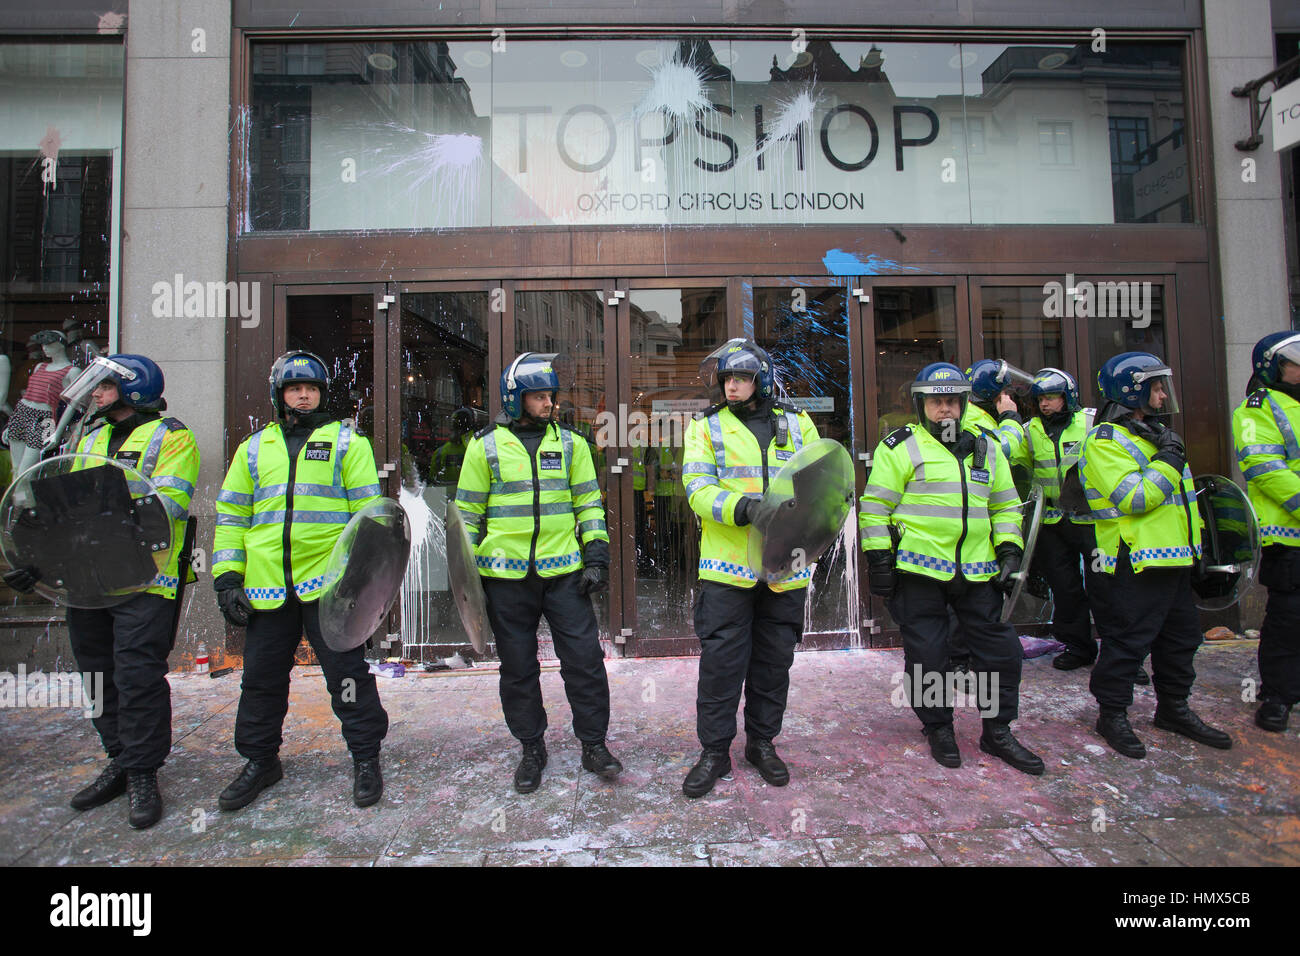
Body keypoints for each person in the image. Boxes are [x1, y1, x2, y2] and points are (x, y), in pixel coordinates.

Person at [4, 354, 200, 829]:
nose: (95, 394)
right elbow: (54, 504)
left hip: (144, 578)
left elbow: (166, 505)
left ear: (133, 390)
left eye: (106, 387)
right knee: (96, 675)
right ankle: (118, 756)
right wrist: (34, 559)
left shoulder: (172, 436)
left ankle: (142, 772)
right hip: (86, 578)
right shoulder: (86, 437)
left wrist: (94, 511)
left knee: (137, 676)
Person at [213, 350, 390, 809]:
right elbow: (232, 514)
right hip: (268, 586)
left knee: (347, 677)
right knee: (261, 680)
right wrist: (227, 577)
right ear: (280, 394)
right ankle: (259, 760)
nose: (304, 395)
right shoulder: (254, 448)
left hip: (330, 586)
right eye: (295, 388)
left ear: (322, 393)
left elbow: (368, 518)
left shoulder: (349, 443)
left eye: (311, 388)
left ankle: (366, 756)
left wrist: (362, 584)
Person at [860, 363, 1043, 774]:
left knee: (1001, 654)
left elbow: (1005, 505)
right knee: (928, 656)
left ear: (963, 404)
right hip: (920, 572)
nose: (945, 410)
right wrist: (880, 561)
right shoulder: (901, 447)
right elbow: (873, 508)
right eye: (937, 402)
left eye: (952, 402)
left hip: (979, 572)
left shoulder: (987, 447)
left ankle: (997, 731)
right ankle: (939, 727)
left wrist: (1010, 549)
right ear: (922, 405)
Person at [454, 352, 621, 793]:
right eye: (538, 396)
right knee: (518, 667)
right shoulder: (483, 445)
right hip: (505, 578)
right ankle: (531, 747)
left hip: (564, 573)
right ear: (515, 399)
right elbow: (467, 515)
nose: (548, 403)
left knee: (585, 662)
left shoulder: (571, 444)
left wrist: (597, 556)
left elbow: (588, 503)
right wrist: (467, 583)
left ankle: (594, 744)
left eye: (550, 395)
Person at [679, 338, 819, 797]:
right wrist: (742, 508)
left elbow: (819, 483)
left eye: (739, 378)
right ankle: (714, 752)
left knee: (773, 663)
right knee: (721, 666)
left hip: (784, 571)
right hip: (727, 570)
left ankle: (762, 743)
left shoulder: (798, 423)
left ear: (760, 379)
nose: (731, 386)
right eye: (726, 379)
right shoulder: (706, 427)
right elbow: (697, 487)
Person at [1078, 352, 1231, 758]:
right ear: (1134, 390)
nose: (1163, 396)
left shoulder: (1155, 435)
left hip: (1174, 560)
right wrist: (1169, 459)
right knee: (1128, 643)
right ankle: (1112, 714)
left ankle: (1174, 709)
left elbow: (1180, 504)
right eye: (1157, 388)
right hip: (1135, 560)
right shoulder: (1105, 440)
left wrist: (1198, 549)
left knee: (1181, 640)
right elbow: (1137, 497)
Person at [1232, 331, 1300, 732]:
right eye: (1294, 360)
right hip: (1288, 539)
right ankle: (1279, 695)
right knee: (1288, 621)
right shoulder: (1258, 409)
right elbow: (1266, 471)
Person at [1025, 368, 1108, 670]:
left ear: (1067, 397)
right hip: (1052, 522)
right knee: (1065, 587)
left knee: (1104, 586)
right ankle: (1078, 647)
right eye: (1040, 399)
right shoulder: (1030, 429)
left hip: (1091, 520)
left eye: (1051, 397)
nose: (1045, 404)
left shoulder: (1091, 421)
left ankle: (1119, 653)